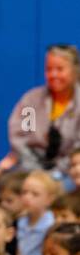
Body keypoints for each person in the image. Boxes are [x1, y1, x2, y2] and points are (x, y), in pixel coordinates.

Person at [7, 44, 80, 172]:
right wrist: (34, 170)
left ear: (75, 70)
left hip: (70, 171)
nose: (53, 75)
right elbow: (20, 138)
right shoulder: (31, 100)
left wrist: (55, 174)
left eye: (60, 69)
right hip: (30, 167)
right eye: (48, 69)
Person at [17, 170, 60, 255]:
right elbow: (19, 253)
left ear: (49, 199)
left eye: (35, 194)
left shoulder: (51, 225)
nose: (27, 197)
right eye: (24, 192)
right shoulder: (21, 220)